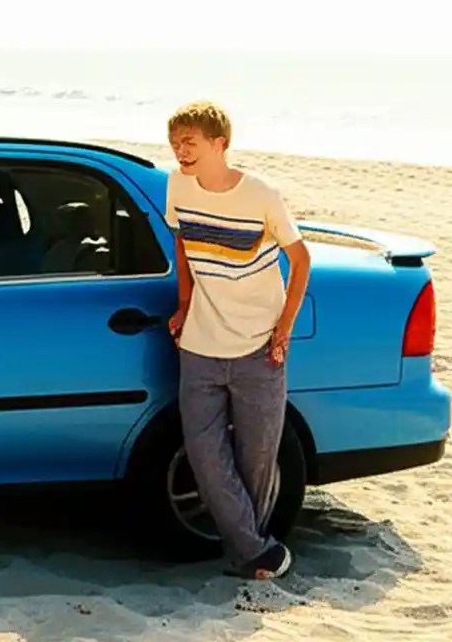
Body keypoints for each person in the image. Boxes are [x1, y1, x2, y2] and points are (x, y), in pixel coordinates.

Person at [163, 100, 310, 580]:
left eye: (191, 142)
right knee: (205, 455)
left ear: (219, 144)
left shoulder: (262, 195)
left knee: (258, 461)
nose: (181, 151)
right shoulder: (177, 185)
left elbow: (301, 258)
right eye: (176, 142)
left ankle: (252, 555)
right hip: (201, 345)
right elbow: (183, 245)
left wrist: (284, 327)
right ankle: (259, 552)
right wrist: (185, 305)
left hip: (258, 348)